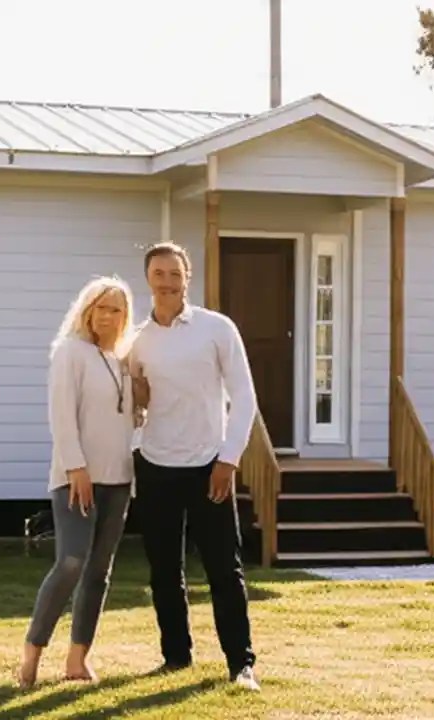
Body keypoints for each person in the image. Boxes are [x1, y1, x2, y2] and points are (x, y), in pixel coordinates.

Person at [128, 242, 261, 692]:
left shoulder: (216, 328)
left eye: (174, 274)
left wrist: (229, 458)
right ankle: (175, 657)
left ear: (187, 278)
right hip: (155, 464)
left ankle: (241, 664)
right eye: (158, 273)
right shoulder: (137, 339)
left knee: (224, 569)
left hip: (209, 465)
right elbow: (135, 403)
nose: (166, 282)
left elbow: (244, 397)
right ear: (148, 279)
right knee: (164, 569)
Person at [18, 275, 138, 689]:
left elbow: (131, 417)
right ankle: (32, 652)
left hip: (119, 479)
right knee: (71, 561)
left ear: (125, 317)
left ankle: (77, 660)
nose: (107, 315)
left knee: (98, 571)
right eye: (100, 306)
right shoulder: (70, 352)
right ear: (87, 310)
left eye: (116, 309)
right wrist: (76, 469)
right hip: (77, 477)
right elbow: (62, 415)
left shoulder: (124, 362)